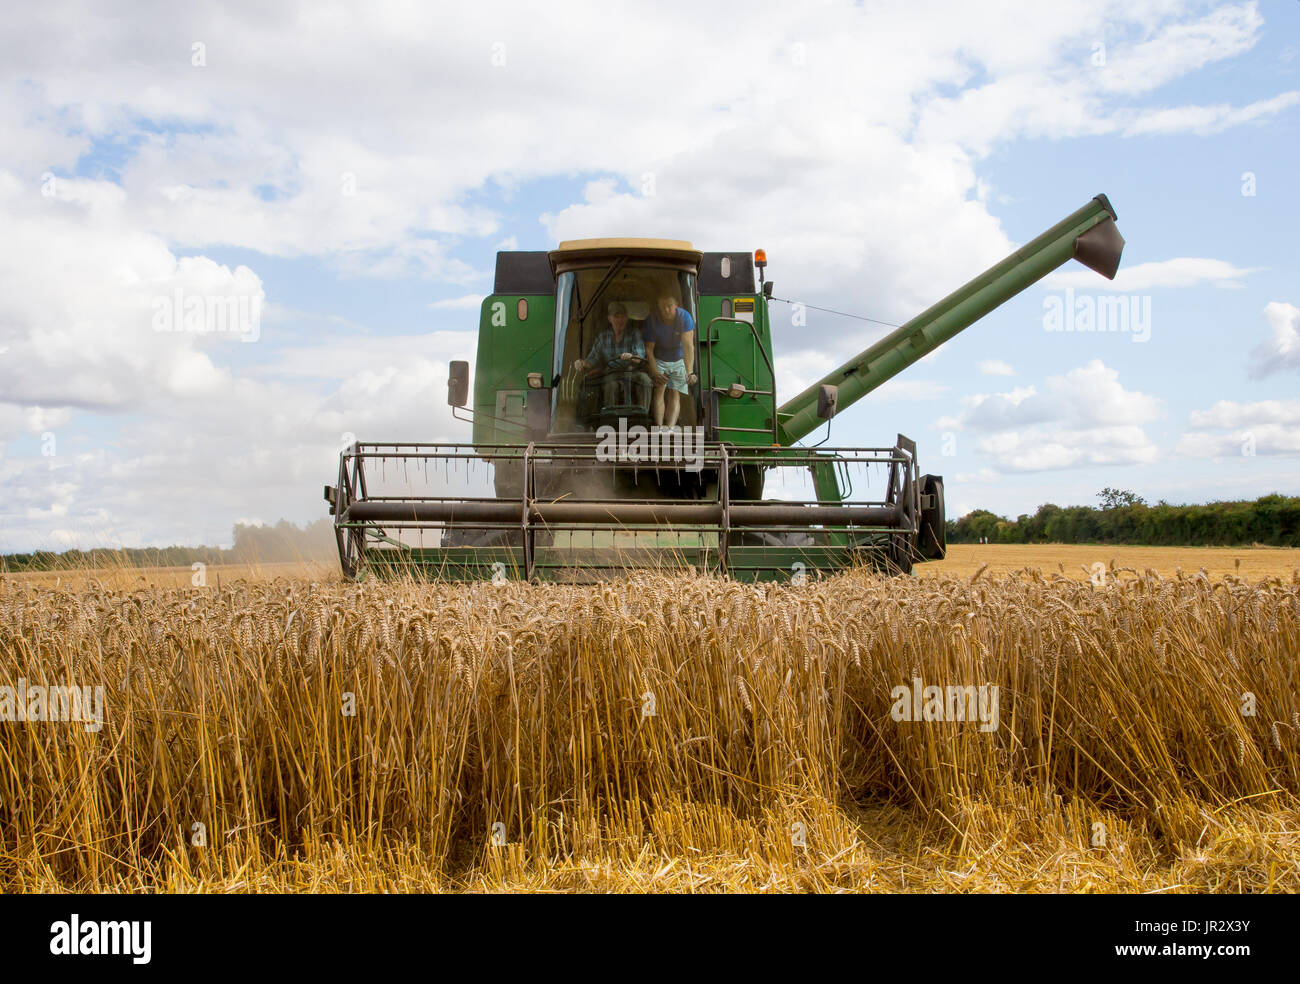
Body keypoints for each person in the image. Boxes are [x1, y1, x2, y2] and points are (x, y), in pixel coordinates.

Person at [571, 301, 649, 409]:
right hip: (612, 373)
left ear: (627, 318)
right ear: (609, 318)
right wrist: (581, 363)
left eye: (623, 316)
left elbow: (640, 358)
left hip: (633, 372)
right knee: (609, 385)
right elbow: (591, 360)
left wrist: (631, 357)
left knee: (645, 380)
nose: (620, 320)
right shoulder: (602, 337)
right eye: (616, 316)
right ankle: (610, 419)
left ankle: (641, 417)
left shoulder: (635, 334)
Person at [642, 291, 697, 429]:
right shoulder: (652, 320)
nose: (666, 309)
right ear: (659, 307)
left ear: (676, 305)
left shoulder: (684, 317)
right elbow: (649, 349)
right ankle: (659, 427)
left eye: (669, 305)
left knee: (674, 391)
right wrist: (655, 372)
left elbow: (688, 346)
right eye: (663, 307)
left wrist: (689, 372)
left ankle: (670, 428)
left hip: (679, 358)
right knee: (660, 389)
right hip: (659, 357)